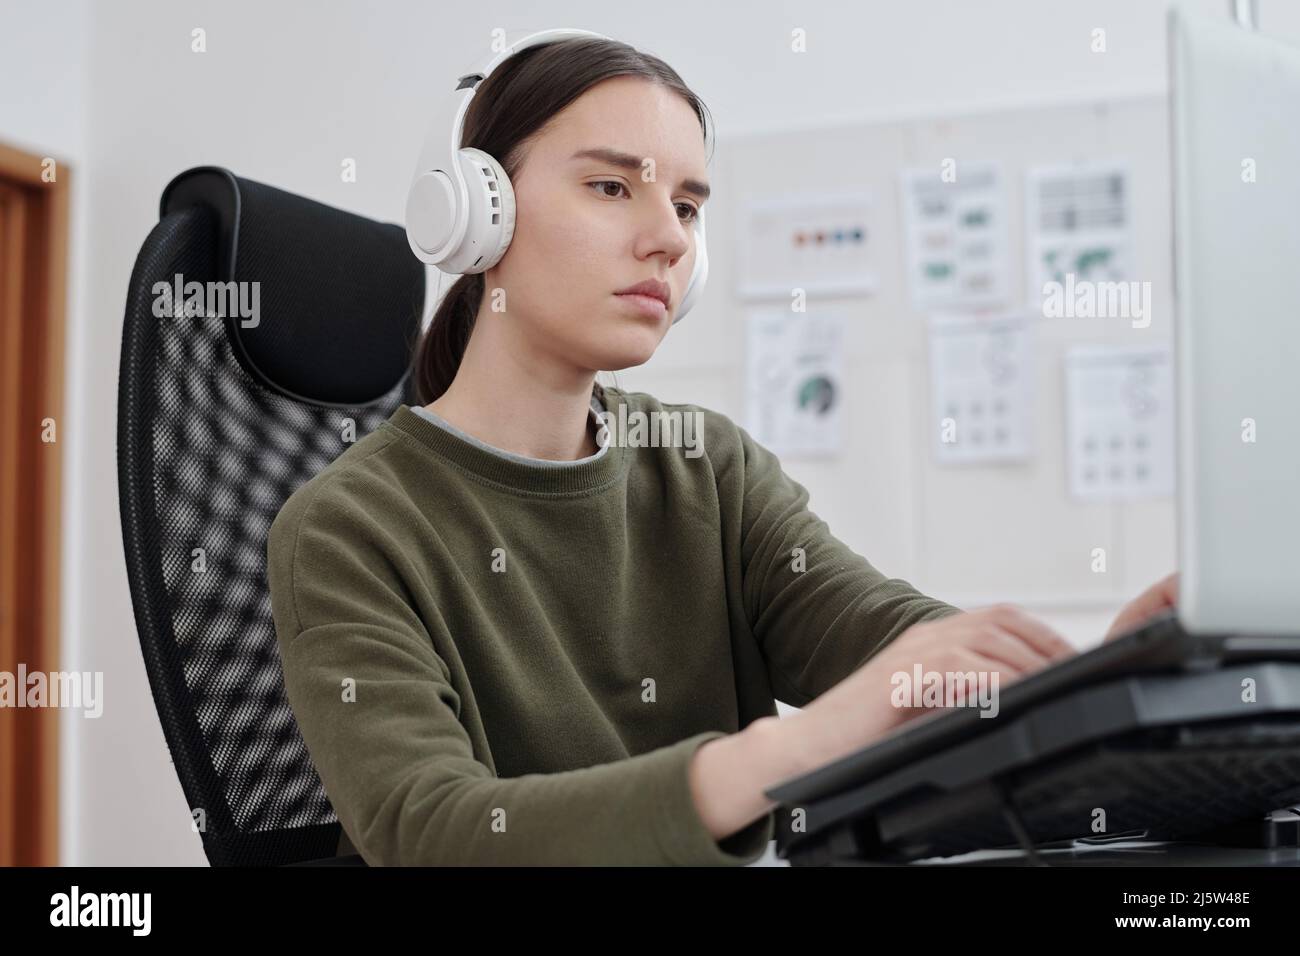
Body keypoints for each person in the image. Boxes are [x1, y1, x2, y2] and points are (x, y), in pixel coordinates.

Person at [266, 34, 1177, 866]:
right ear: (480, 215)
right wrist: (788, 751)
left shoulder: (704, 465)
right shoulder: (348, 530)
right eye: (612, 186)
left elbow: (875, 635)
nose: (670, 237)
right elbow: (433, 832)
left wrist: (1088, 682)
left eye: (689, 204)